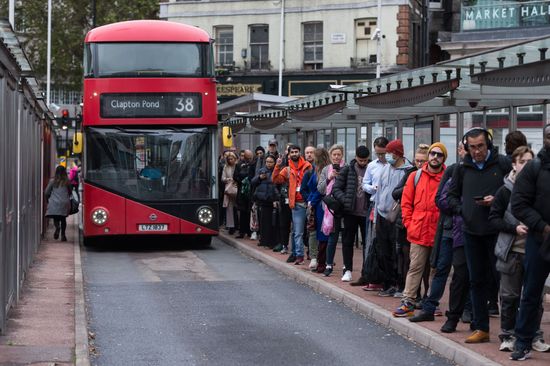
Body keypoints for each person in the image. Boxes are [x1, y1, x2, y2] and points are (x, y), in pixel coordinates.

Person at [447, 128, 512, 344]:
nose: (477, 151)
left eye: (480, 146)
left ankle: (509, 331)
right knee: (475, 281)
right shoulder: (462, 168)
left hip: (498, 232)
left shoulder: (502, 164)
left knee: (503, 282)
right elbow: (451, 196)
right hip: (471, 232)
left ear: (489, 144)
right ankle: (481, 327)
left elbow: (516, 193)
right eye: (472, 147)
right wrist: (463, 210)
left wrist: (497, 201)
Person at [489, 146, 549, 354]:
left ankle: (534, 335)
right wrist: (518, 227)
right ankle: (511, 336)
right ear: (514, 164)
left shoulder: (539, 179)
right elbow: (500, 215)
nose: (525, 164)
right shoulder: (506, 189)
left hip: (533, 246)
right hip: (516, 248)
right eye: (521, 161)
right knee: (512, 296)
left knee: (534, 297)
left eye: (528, 160)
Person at [510, 124, 550, 361]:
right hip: (539, 239)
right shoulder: (534, 168)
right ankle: (523, 342)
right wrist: (543, 227)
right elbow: (519, 204)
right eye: (549, 136)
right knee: (532, 292)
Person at [392, 143, 447, 317]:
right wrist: (409, 222)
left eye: (439, 154)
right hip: (418, 229)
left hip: (438, 231)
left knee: (434, 270)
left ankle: (431, 302)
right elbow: (406, 203)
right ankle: (408, 301)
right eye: (433, 153)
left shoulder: (448, 177)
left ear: (443, 158)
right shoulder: (415, 176)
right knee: (415, 267)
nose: (435, 157)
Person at [371, 139, 413, 297]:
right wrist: (375, 219)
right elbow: (378, 195)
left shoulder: (408, 171)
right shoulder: (385, 169)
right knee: (384, 251)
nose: (386, 156)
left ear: (397, 154)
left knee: (398, 253)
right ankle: (388, 283)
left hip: (397, 217)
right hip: (382, 215)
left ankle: (399, 283)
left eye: (389, 153)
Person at [332, 146, 371, 282]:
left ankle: (365, 271)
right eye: (360, 160)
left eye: (365, 160)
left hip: (366, 213)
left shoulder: (372, 169)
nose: (363, 163)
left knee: (367, 242)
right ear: (355, 157)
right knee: (348, 241)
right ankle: (347, 269)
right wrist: (346, 200)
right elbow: (336, 189)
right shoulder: (347, 169)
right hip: (350, 212)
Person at [272, 145, 312, 264]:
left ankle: (310, 254)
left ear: (300, 153)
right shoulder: (287, 169)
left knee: (309, 231)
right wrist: (277, 166)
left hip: (309, 202)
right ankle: (299, 255)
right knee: (297, 231)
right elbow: (275, 180)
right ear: (289, 154)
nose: (295, 154)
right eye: (292, 152)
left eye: (296, 151)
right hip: (297, 204)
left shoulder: (308, 167)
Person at [360, 136, 388, 291]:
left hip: (389, 207)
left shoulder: (394, 166)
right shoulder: (372, 166)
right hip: (374, 204)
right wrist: (372, 188)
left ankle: (384, 277)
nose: (381, 157)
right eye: (378, 154)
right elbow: (365, 184)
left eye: (383, 153)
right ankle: (371, 274)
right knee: (371, 240)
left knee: (384, 242)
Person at [301, 147, 330, 272]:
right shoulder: (316, 170)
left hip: (320, 205)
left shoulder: (321, 171)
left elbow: (318, 190)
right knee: (316, 232)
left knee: (321, 232)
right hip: (317, 204)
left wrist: (311, 202)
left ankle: (322, 261)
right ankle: (320, 260)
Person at [317, 144, 345, 276]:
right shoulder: (325, 169)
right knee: (332, 238)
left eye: (339, 154)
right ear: (330, 155)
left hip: (344, 207)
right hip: (330, 208)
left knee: (345, 238)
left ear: (342, 155)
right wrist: (330, 177)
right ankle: (329, 265)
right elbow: (320, 189)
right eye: (334, 154)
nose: (336, 157)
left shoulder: (347, 168)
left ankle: (346, 266)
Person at [251, 155, 279, 248]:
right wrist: (259, 177)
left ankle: (272, 242)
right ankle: (264, 241)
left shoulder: (277, 170)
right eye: (267, 161)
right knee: (264, 222)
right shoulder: (261, 170)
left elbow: (276, 185)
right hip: (263, 200)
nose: (269, 163)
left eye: (271, 162)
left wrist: (276, 199)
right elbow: (253, 182)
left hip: (273, 200)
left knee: (273, 222)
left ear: (274, 162)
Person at [45, 165, 72, 241]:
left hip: (54, 202)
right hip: (65, 202)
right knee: (63, 219)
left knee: (56, 217)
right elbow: (70, 192)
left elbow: (46, 192)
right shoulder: (67, 181)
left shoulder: (52, 181)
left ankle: (57, 227)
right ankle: (63, 235)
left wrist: (48, 200)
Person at [234, 149, 254, 238]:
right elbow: (235, 176)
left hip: (250, 191)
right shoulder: (239, 165)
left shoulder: (253, 164)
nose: (249, 159)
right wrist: (242, 181)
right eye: (248, 157)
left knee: (249, 211)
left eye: (250, 157)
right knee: (242, 212)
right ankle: (242, 231)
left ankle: (249, 231)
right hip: (242, 191)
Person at [222, 152, 238, 235]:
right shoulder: (226, 167)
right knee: (229, 208)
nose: (230, 160)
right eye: (229, 159)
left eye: (232, 159)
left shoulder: (238, 166)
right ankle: (231, 226)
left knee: (237, 207)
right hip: (229, 189)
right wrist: (228, 179)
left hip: (236, 188)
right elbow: (223, 178)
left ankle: (237, 225)